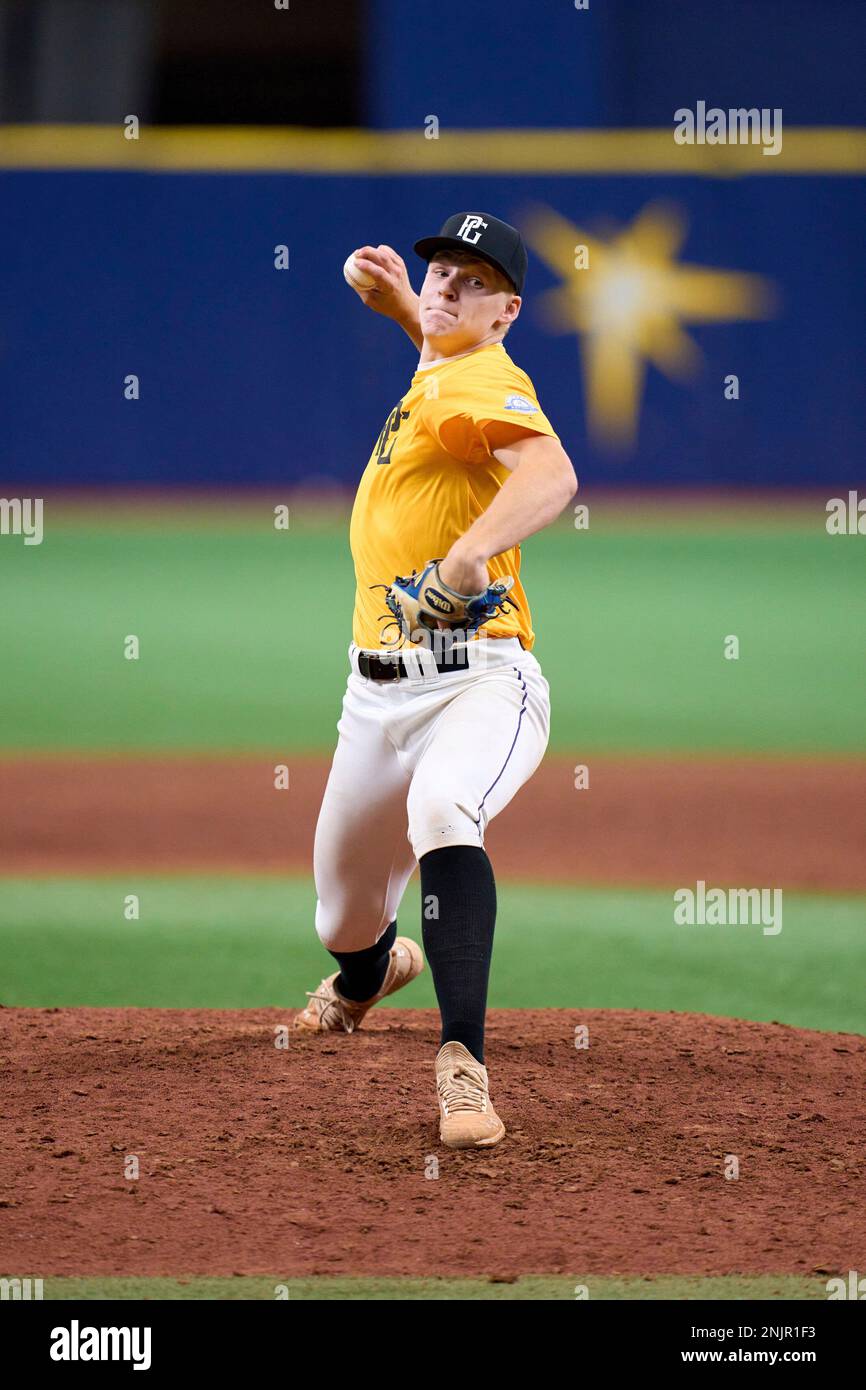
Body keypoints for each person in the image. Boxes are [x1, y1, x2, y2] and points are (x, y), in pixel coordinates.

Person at [293, 213, 577, 1149]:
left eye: (473, 280)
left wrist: (467, 557)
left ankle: (463, 1068)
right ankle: (370, 975)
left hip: (482, 686)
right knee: (341, 919)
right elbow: (441, 363)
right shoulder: (442, 369)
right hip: (375, 698)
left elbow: (551, 473)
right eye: (440, 273)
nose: (449, 287)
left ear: (510, 312)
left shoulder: (487, 377)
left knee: (447, 810)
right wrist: (405, 313)